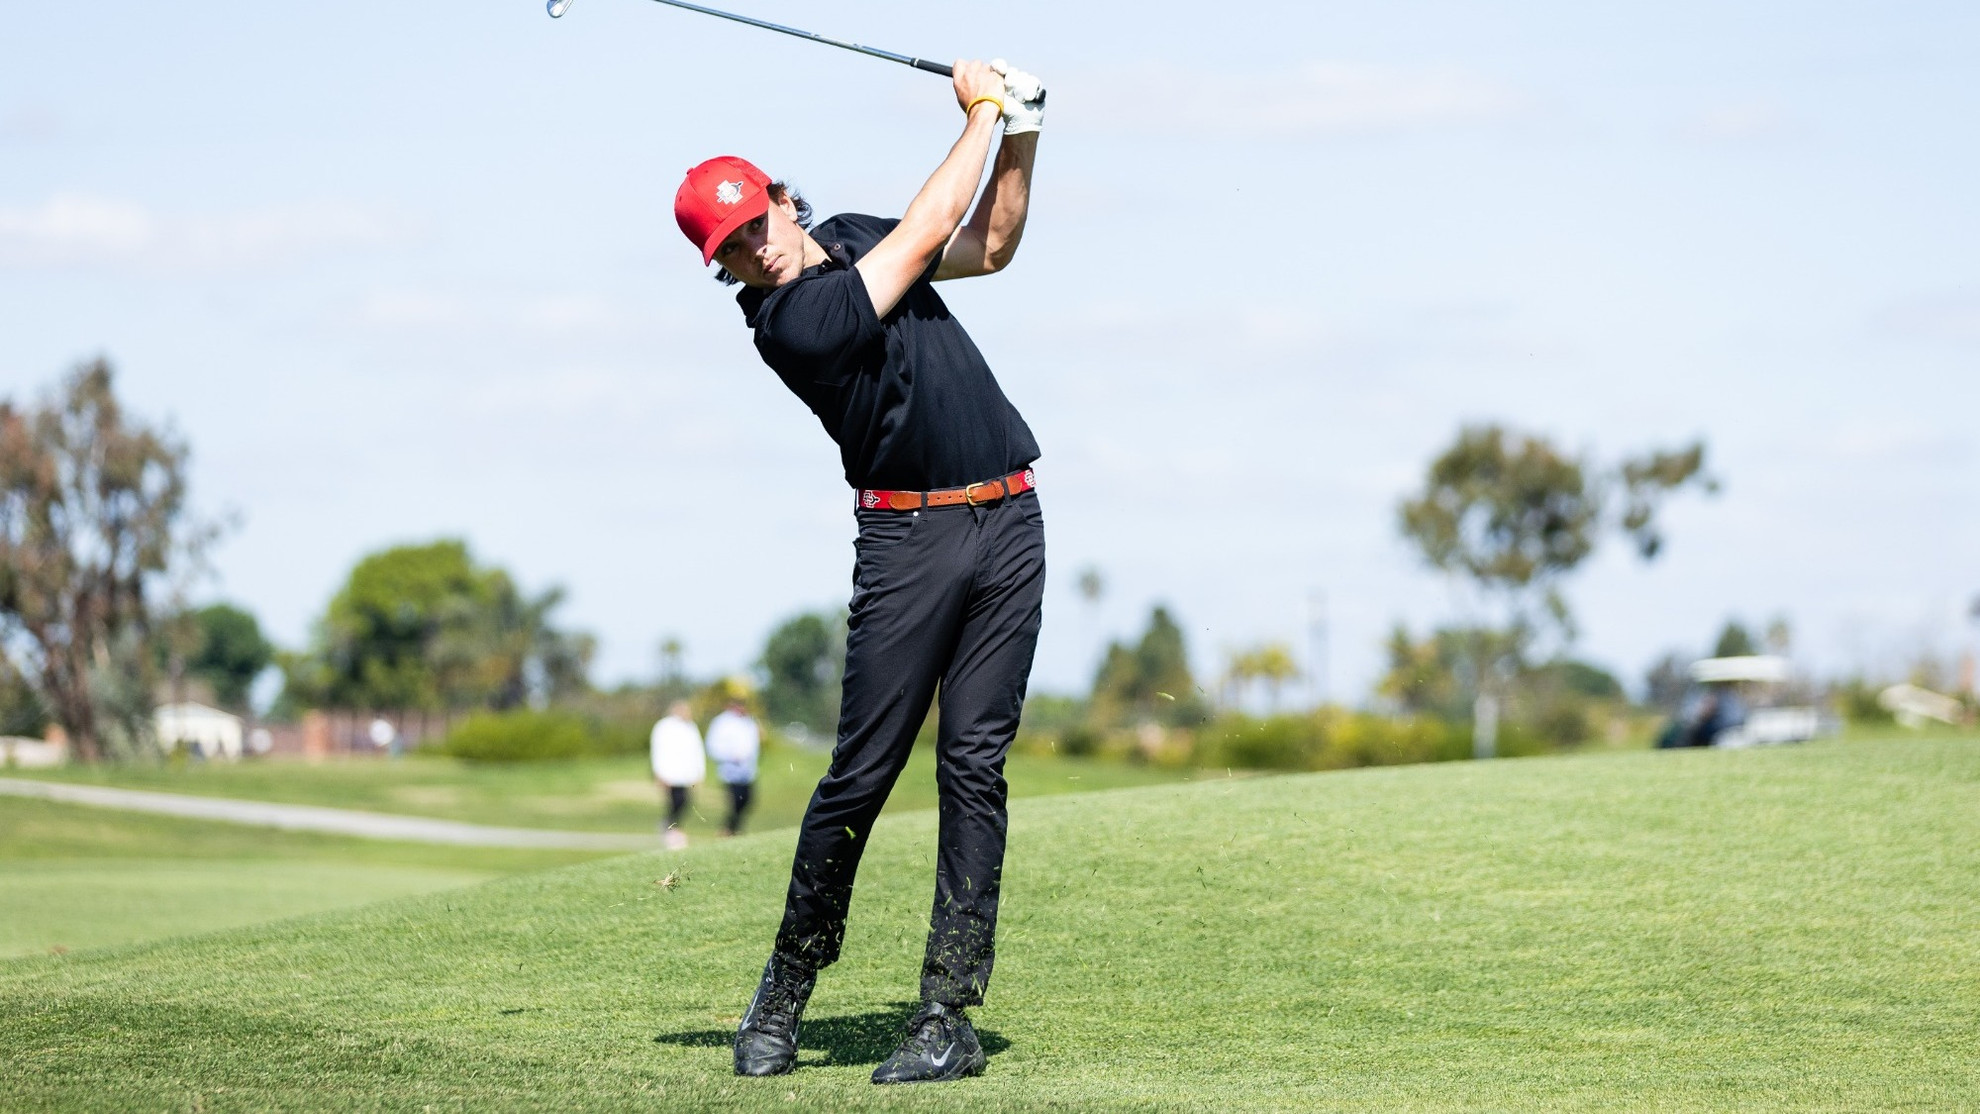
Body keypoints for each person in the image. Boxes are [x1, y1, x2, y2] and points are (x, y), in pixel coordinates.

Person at [672, 58, 1047, 1085]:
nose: (754, 250)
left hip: (1009, 518)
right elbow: (925, 231)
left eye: (756, 223)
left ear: (783, 200)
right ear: (724, 268)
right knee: (863, 773)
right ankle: (785, 990)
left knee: (974, 765)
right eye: (731, 248)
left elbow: (986, 244)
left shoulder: (838, 234)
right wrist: (981, 108)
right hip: (907, 542)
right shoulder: (790, 323)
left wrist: (1023, 132)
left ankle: (945, 1016)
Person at [649, 701, 705, 850]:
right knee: (676, 800)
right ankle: (672, 828)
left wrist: (700, 772)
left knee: (685, 801)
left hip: (686, 773)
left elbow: (697, 750)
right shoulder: (663, 726)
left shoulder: (691, 727)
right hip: (670, 773)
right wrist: (659, 773)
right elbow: (658, 750)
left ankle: (672, 826)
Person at [704, 694, 761, 836]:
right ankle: (729, 829)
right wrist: (730, 755)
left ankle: (733, 828)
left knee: (747, 800)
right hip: (730, 771)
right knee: (736, 800)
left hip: (747, 771)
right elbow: (712, 746)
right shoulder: (721, 723)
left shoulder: (749, 722)